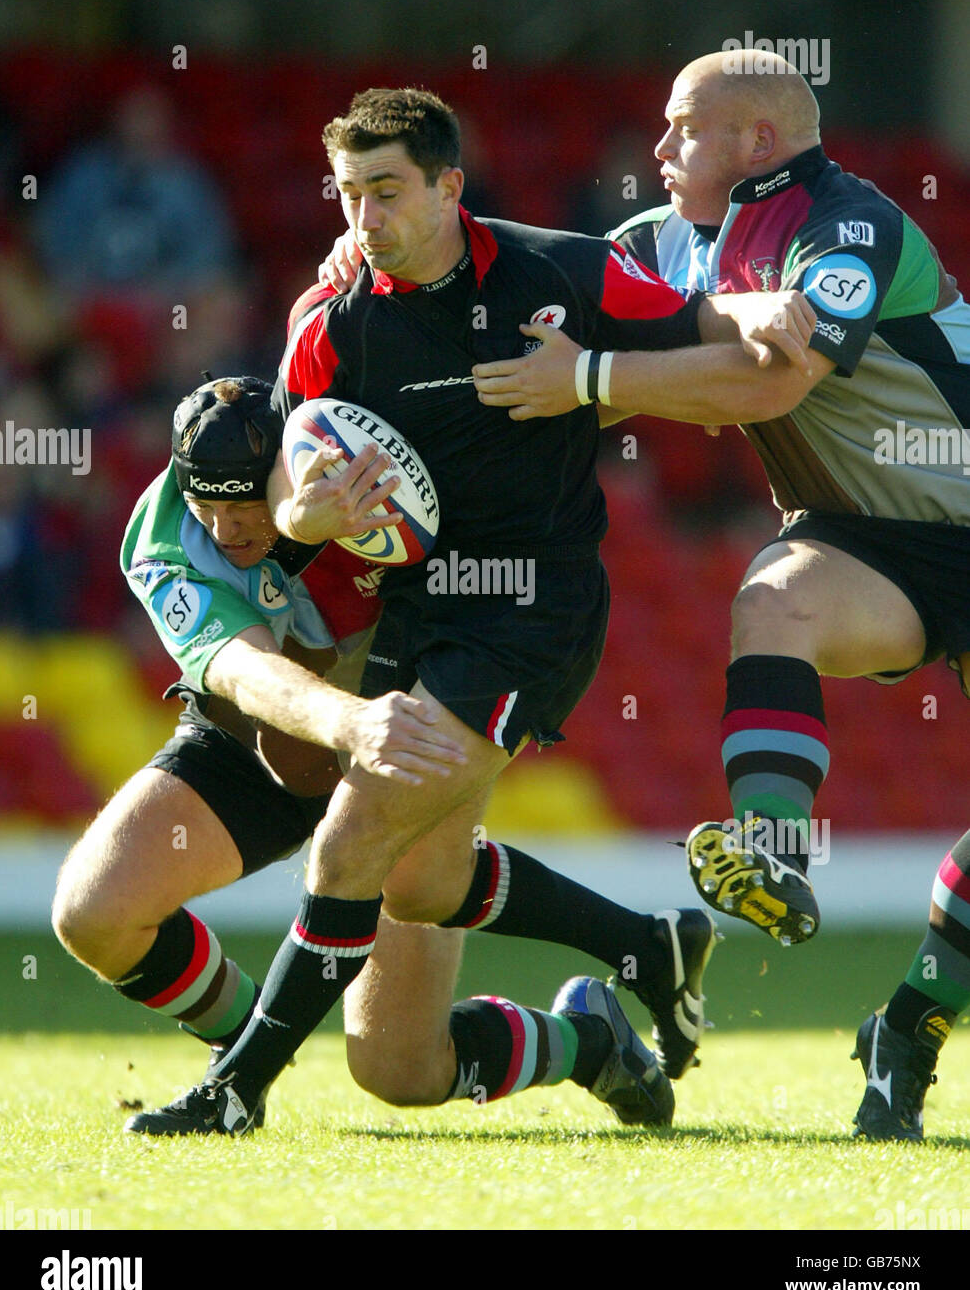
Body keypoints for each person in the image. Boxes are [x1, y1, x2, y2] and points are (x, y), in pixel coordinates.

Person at [126, 85, 818, 1137]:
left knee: (349, 843)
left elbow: (721, 347)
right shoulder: (330, 319)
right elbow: (290, 481)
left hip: (530, 610)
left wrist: (597, 374)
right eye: (349, 194)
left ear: (451, 186)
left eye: (388, 191)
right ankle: (644, 954)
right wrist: (300, 507)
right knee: (417, 903)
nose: (364, 218)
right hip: (412, 617)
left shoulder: (560, 273)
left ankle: (235, 1090)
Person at [472, 50, 970, 1142]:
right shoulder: (654, 243)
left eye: (680, 128)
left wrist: (592, 382)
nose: (655, 151)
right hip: (861, 535)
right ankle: (773, 853)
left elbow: (775, 379)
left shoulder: (849, 225)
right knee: (772, 600)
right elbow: (541, 319)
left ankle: (910, 1026)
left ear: (756, 138)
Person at [56, 372, 719, 1135]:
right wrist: (350, 724)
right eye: (207, 502)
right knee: (94, 914)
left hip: (406, 703)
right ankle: (249, 1046)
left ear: (289, 463)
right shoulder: (165, 533)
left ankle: (589, 1041)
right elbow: (245, 671)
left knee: (400, 1067)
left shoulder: (365, 460)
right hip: (267, 736)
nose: (225, 528)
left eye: (243, 504)